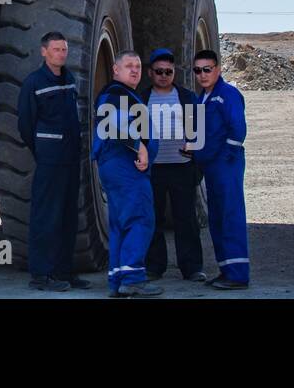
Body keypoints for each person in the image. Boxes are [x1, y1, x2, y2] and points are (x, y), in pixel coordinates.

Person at [17, 31, 92, 292]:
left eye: (64, 49)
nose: (61, 54)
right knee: (46, 217)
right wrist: (43, 148)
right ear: (44, 52)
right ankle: (42, 274)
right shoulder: (34, 82)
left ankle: (63, 271)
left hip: (70, 158)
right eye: (56, 49)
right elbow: (26, 124)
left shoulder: (69, 79)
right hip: (50, 160)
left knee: (67, 217)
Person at [92, 51, 162, 297]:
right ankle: (133, 278)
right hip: (124, 165)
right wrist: (138, 146)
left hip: (117, 165)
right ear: (115, 69)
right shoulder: (116, 93)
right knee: (139, 218)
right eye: (128, 65)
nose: (134, 70)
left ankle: (118, 279)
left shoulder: (123, 94)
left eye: (138, 66)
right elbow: (112, 124)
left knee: (121, 223)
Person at [138, 48, 206, 282]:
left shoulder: (187, 98)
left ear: (174, 72)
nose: (164, 76)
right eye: (159, 72)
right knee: (152, 219)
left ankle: (192, 268)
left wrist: (194, 151)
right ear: (150, 73)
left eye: (168, 71)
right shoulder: (141, 99)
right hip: (153, 169)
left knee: (186, 219)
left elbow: (199, 129)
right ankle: (154, 267)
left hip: (182, 168)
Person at [184, 48, 250, 290]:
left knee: (230, 216)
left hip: (226, 165)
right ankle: (226, 270)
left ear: (218, 69)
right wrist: (193, 150)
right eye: (197, 70)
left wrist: (227, 155)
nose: (202, 75)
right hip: (211, 166)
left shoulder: (227, 94)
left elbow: (237, 128)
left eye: (207, 69)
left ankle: (238, 275)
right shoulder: (203, 97)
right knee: (218, 218)